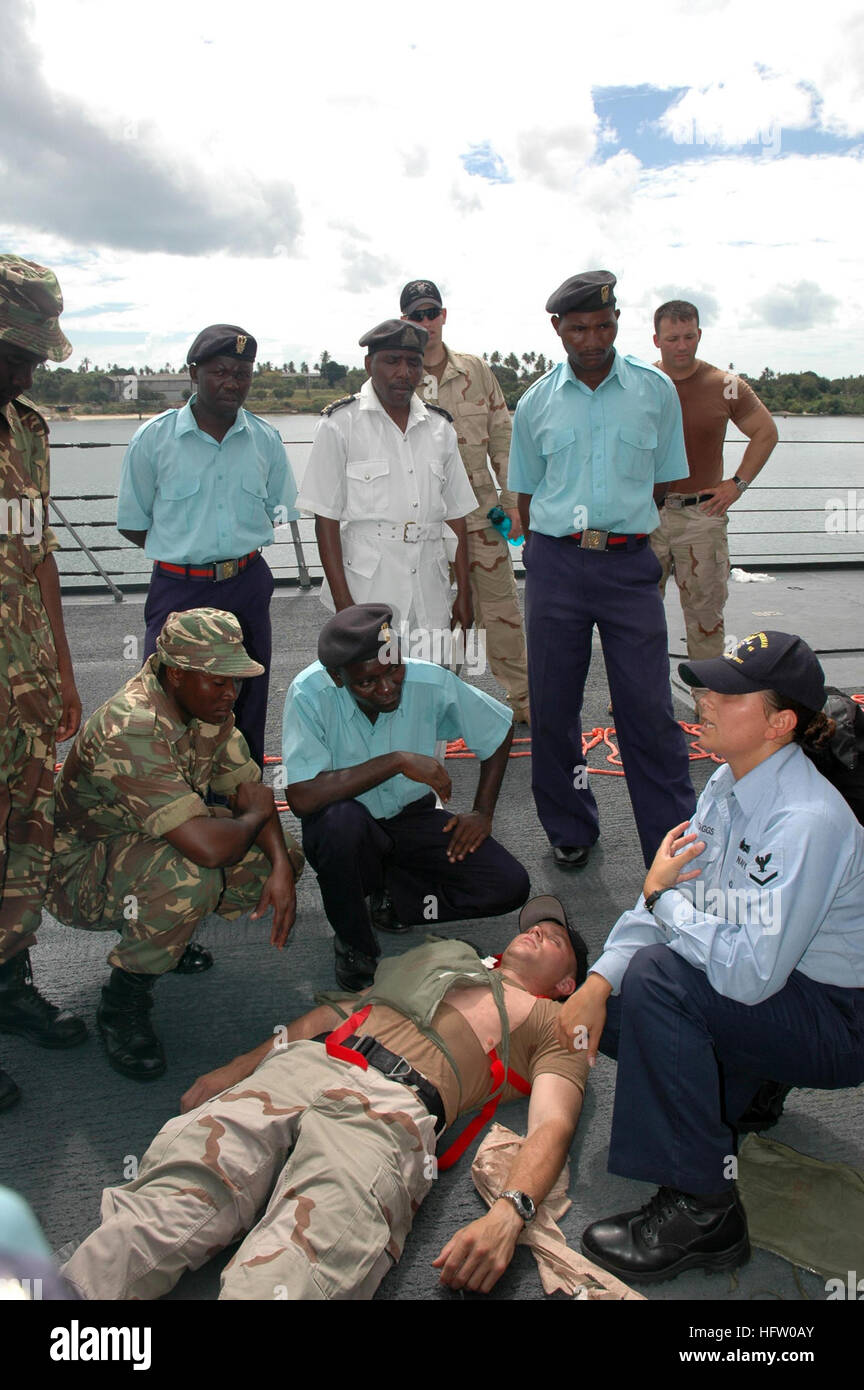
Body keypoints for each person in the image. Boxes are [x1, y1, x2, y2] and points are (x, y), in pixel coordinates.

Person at [61, 894, 589, 1301]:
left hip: (392, 1110)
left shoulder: (553, 1024)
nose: (539, 930)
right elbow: (339, 1012)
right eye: (534, 926)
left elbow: (552, 1127)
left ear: (567, 983)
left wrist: (510, 1212)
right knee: (171, 1198)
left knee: (302, 1263)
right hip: (309, 1064)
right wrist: (242, 1065)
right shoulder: (450, 960)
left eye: (555, 937)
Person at [555, 631, 864, 1284]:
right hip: (788, 979)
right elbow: (677, 882)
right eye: (706, 684)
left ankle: (704, 1210)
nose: (704, 697)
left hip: (840, 1019)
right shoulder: (731, 780)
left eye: (729, 692)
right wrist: (598, 980)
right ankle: (748, 1087)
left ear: (779, 722)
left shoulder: (807, 820)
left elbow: (742, 968)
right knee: (619, 1001)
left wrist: (664, 904)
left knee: (662, 983)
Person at [46, 609, 304, 1081]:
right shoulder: (133, 725)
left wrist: (283, 867)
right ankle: (123, 1003)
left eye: (236, 682)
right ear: (177, 672)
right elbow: (215, 843)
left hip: (149, 836)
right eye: (219, 682)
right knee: (193, 877)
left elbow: (248, 786)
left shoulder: (205, 707)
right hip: (77, 873)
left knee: (278, 855)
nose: (231, 694)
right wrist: (250, 815)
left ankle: (168, 934)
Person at [508, 270, 695, 871]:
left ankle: (669, 844)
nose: (592, 339)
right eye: (579, 327)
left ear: (617, 323)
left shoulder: (654, 390)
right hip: (555, 565)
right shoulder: (536, 402)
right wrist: (556, 546)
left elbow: (664, 481)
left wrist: (618, 529)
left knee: (649, 709)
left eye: (604, 325)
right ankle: (570, 824)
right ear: (557, 329)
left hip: (628, 565)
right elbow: (528, 499)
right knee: (555, 707)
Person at [281, 603, 530, 990]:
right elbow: (301, 797)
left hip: (412, 817)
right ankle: (355, 942)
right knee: (339, 825)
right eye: (367, 682)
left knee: (508, 885)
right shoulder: (308, 693)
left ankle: (392, 901)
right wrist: (396, 761)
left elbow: (497, 732)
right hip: (349, 825)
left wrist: (482, 812)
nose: (387, 688)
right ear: (337, 676)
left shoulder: (429, 680)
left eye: (394, 669)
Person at [116, 324, 299, 767]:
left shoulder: (266, 439)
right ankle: (175, 798)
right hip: (180, 589)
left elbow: (281, 510)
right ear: (193, 373)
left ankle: (243, 795)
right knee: (166, 698)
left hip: (246, 584)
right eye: (220, 371)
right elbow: (133, 523)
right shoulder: (153, 440)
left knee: (246, 697)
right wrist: (186, 551)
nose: (233, 382)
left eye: (242, 372)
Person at [0, 255, 86, 1113]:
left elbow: (40, 557)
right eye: (16, 352)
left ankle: (9, 983)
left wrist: (61, 668)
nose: (30, 370)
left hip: (20, 685)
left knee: (25, 843)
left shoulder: (27, 428)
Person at [297, 319, 476, 647]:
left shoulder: (439, 429)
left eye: (413, 362)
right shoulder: (340, 425)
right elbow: (326, 521)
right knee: (372, 691)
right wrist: (343, 606)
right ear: (369, 364)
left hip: (431, 584)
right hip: (369, 588)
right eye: (392, 361)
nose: (404, 372)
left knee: (433, 685)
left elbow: (457, 517)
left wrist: (465, 591)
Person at [399, 279, 530, 721]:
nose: (426, 323)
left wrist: (512, 502)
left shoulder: (475, 370)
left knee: (501, 610)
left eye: (431, 313)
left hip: (479, 514)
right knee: (431, 615)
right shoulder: (398, 375)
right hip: (424, 522)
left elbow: (503, 436)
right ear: (405, 321)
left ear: (443, 315)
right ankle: (436, 703)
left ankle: (525, 701)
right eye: (416, 316)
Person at [650, 300, 779, 659]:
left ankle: (709, 704)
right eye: (672, 338)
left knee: (706, 617)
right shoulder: (641, 384)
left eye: (689, 336)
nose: (682, 345)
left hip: (701, 517)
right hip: (646, 515)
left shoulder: (725, 385)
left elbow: (766, 432)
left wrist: (737, 484)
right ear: (656, 340)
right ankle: (636, 698)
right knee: (637, 614)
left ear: (699, 335)